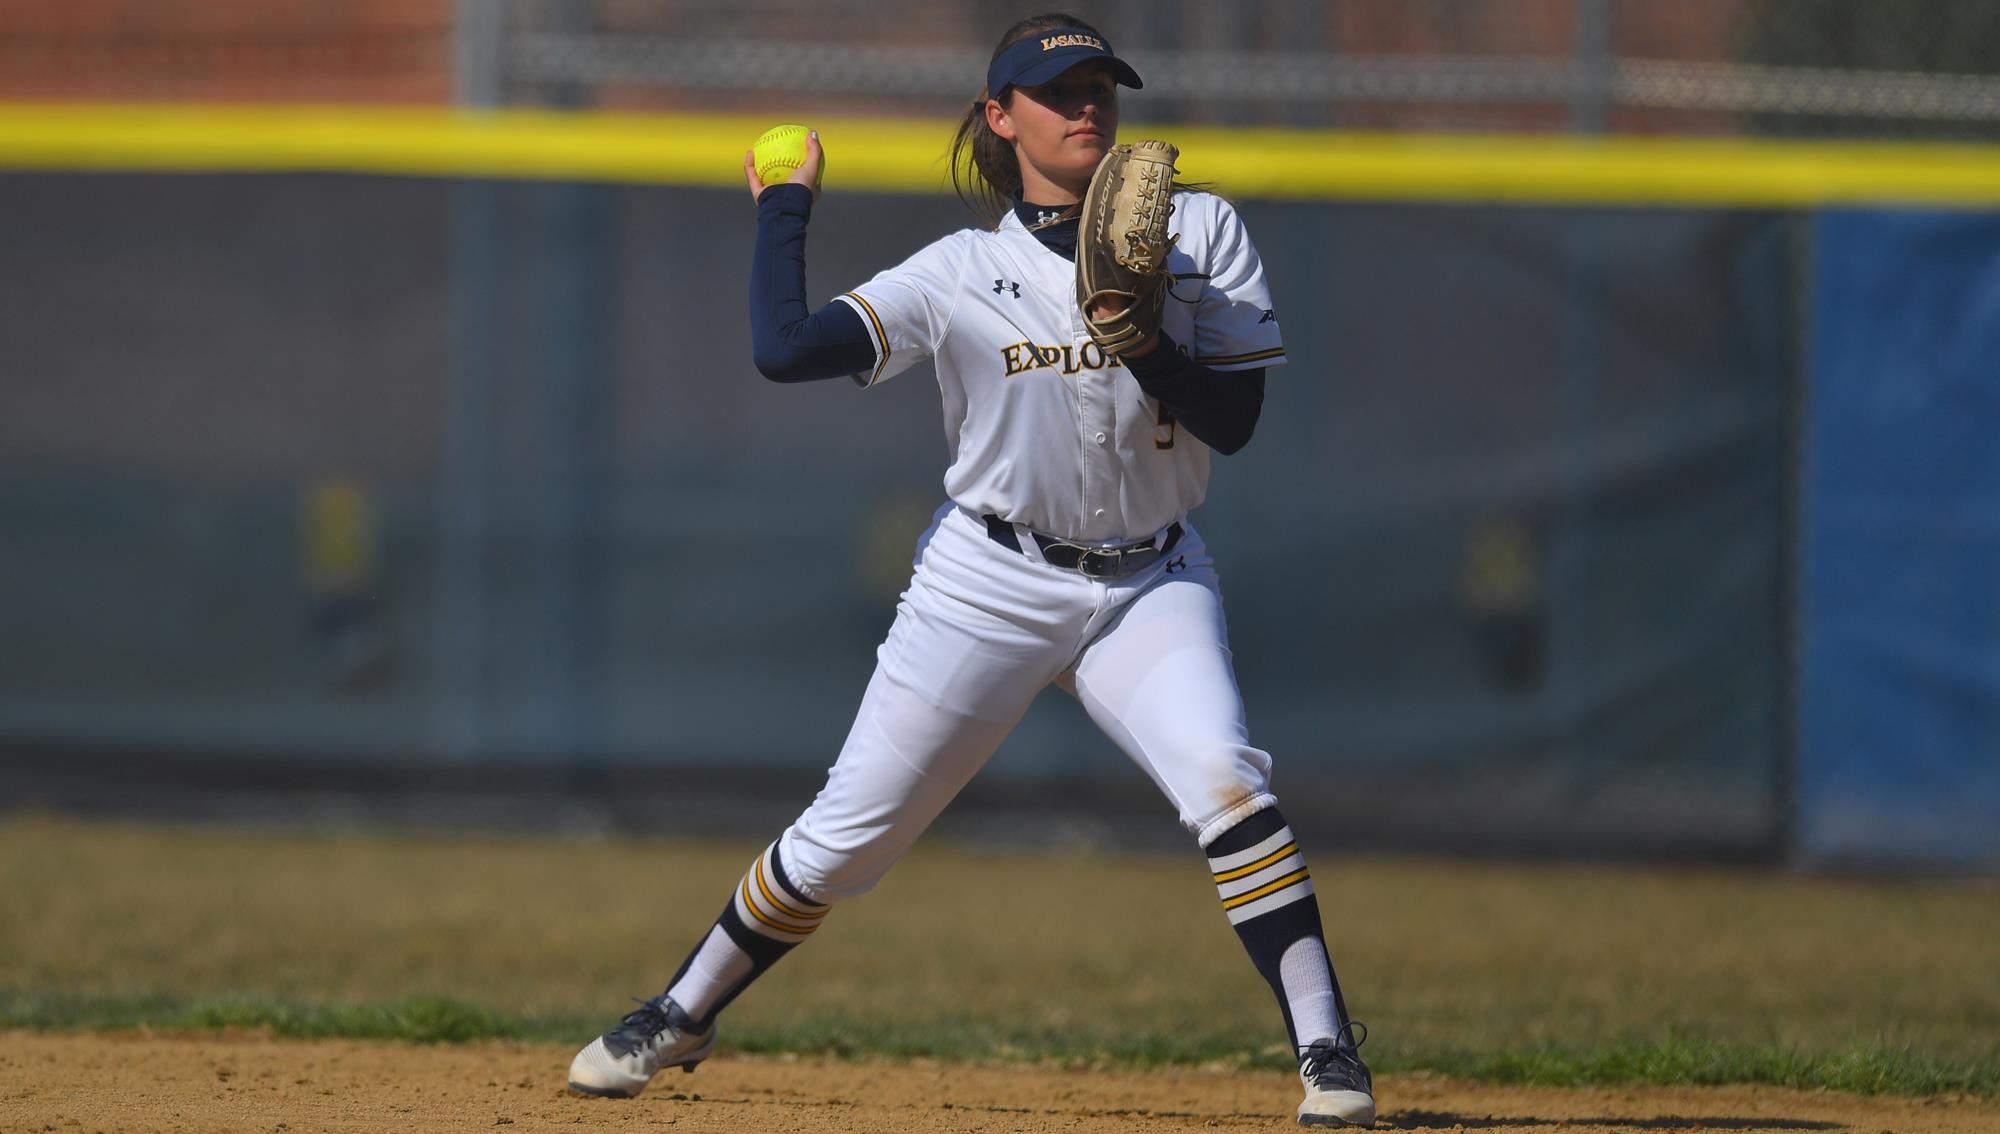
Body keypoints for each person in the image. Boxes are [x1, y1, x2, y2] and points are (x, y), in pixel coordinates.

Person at [567, 12, 1376, 1128]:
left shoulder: (1197, 230)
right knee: (842, 837)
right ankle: (681, 1010)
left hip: (1150, 582)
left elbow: (1232, 421)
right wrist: (785, 208)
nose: (1086, 104)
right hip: (989, 578)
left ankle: (1327, 1049)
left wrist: (1139, 334)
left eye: (1101, 85)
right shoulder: (961, 272)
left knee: (1227, 780)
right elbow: (783, 349)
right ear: (1001, 120)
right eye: (1057, 92)